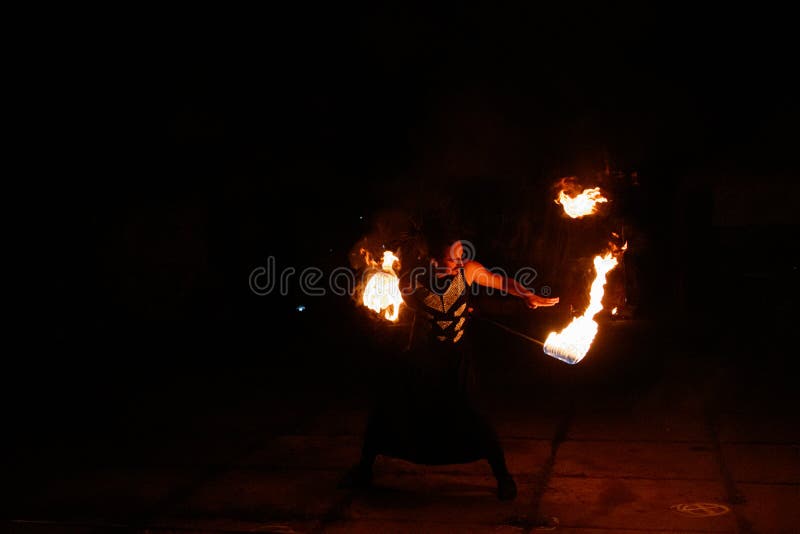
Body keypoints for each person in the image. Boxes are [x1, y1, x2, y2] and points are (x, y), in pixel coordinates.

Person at [341, 225, 559, 500]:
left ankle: (503, 477)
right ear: (432, 258)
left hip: (457, 359)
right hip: (422, 358)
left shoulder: (468, 271)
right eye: (452, 258)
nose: (460, 261)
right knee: (389, 409)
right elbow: (402, 303)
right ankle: (364, 469)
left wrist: (525, 294)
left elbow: (500, 281)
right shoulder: (411, 279)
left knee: (474, 414)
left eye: (461, 255)